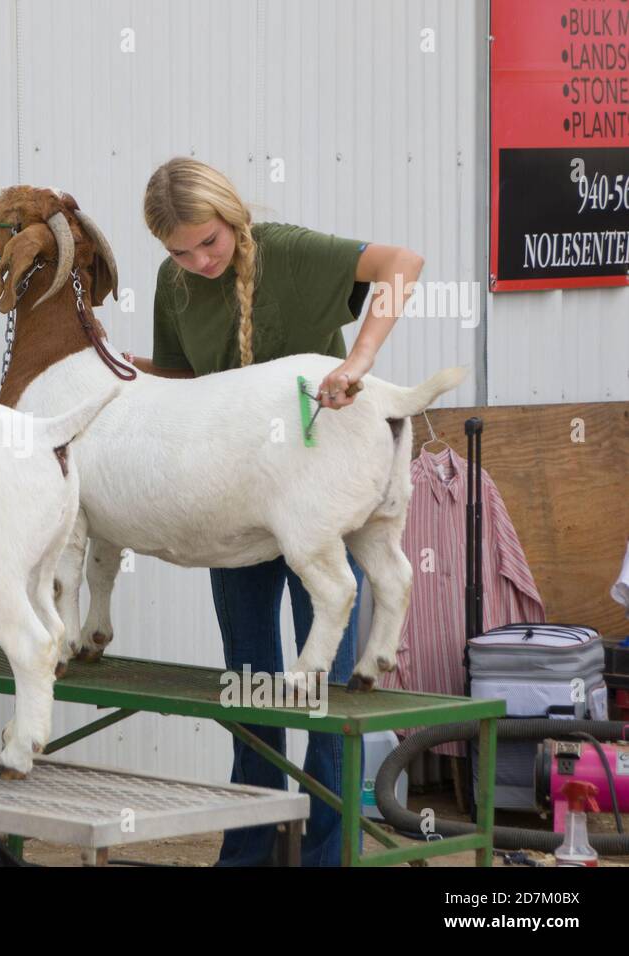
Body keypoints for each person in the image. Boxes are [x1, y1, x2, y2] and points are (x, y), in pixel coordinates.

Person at [126, 157, 423, 866]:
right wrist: (125, 373)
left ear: (233, 219)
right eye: (179, 251)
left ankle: (328, 853)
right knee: (249, 686)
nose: (197, 261)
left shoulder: (288, 249)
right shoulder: (174, 282)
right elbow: (186, 379)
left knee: (320, 691)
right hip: (231, 500)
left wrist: (358, 360)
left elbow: (402, 262)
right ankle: (250, 849)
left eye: (209, 244)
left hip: (312, 487)